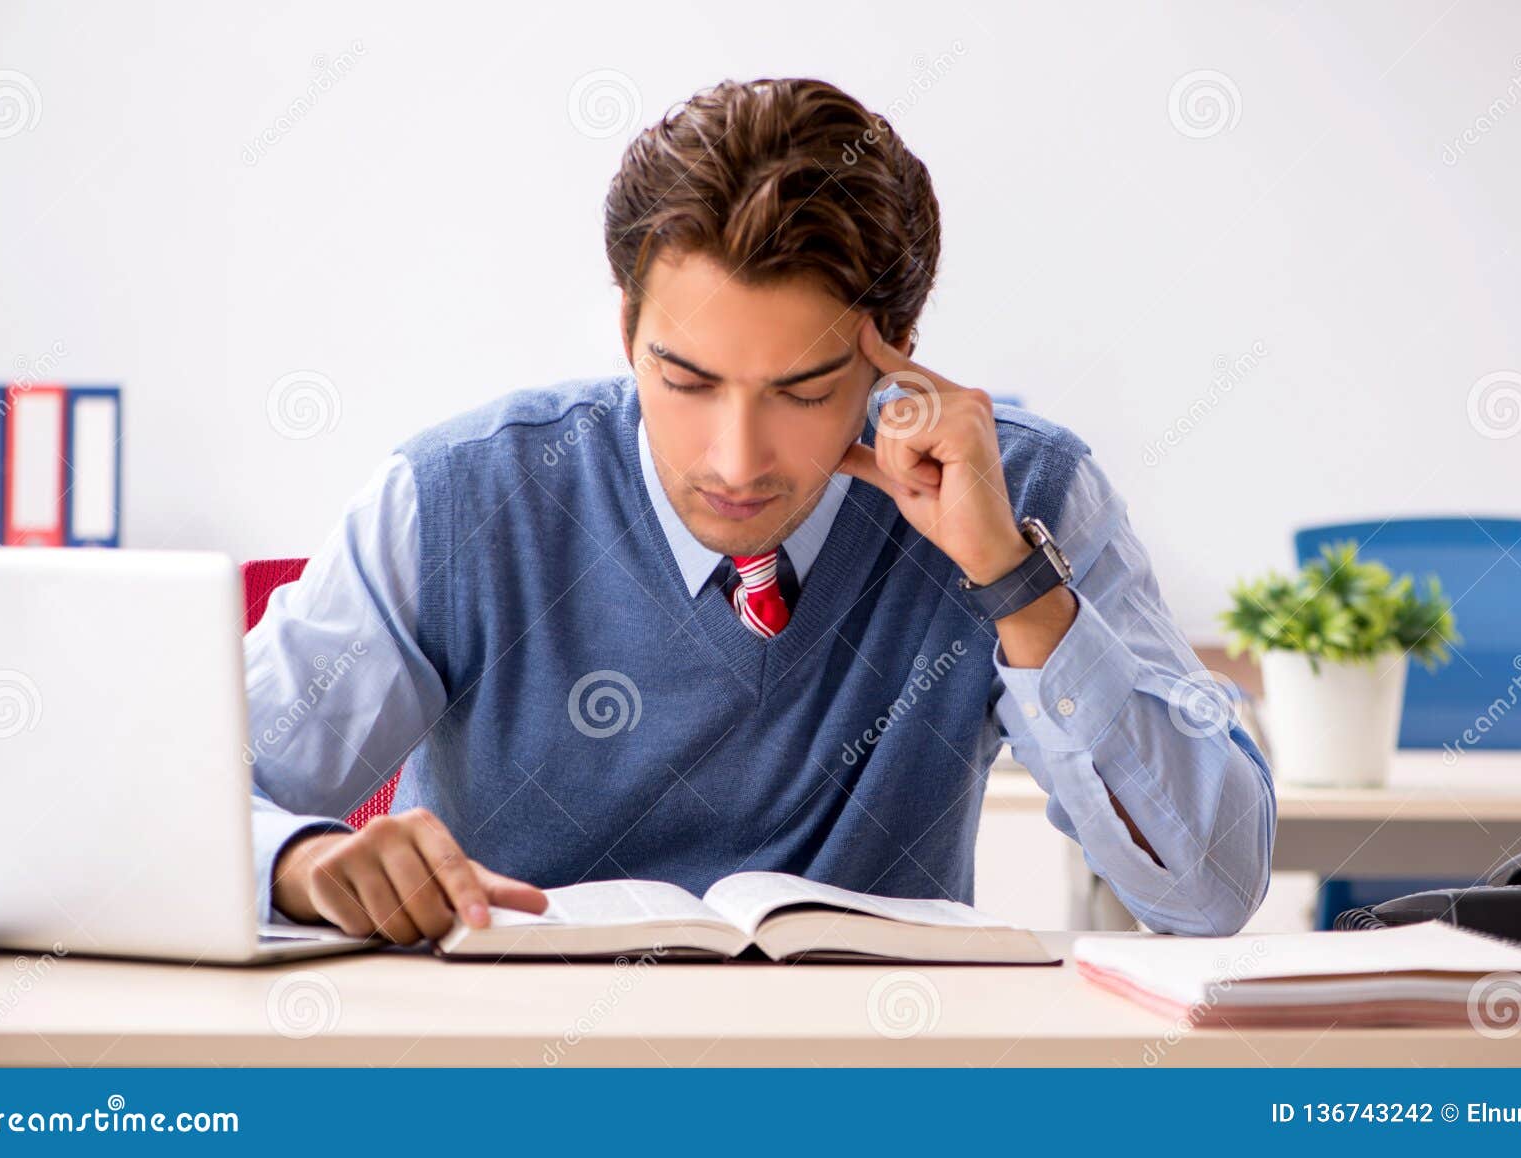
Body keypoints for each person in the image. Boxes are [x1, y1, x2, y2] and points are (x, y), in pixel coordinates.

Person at [248, 77, 1275, 943]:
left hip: (863, 1090)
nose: (734, 461)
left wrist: (1013, 583)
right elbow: (179, 811)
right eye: (686, 380)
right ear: (627, 328)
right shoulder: (459, 503)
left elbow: (1210, 893)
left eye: (800, 391)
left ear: (895, 349)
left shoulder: (1019, 496)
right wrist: (302, 862)